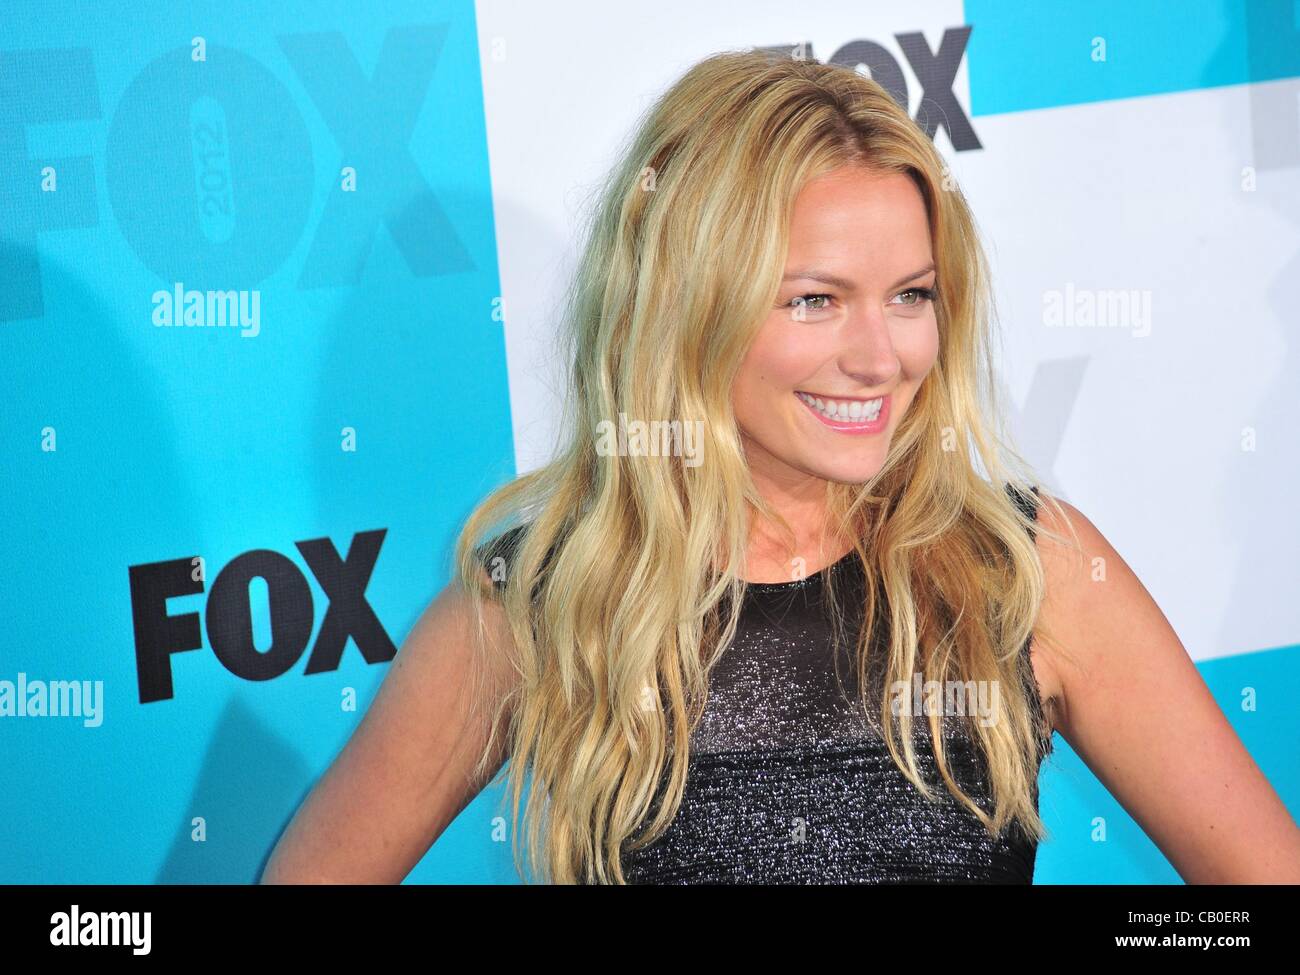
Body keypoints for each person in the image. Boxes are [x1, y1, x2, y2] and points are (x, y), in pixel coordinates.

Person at [261, 49, 1300, 885]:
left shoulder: (1026, 572)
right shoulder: (546, 599)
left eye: (910, 294)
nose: (878, 354)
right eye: (813, 299)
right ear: (684, 309)